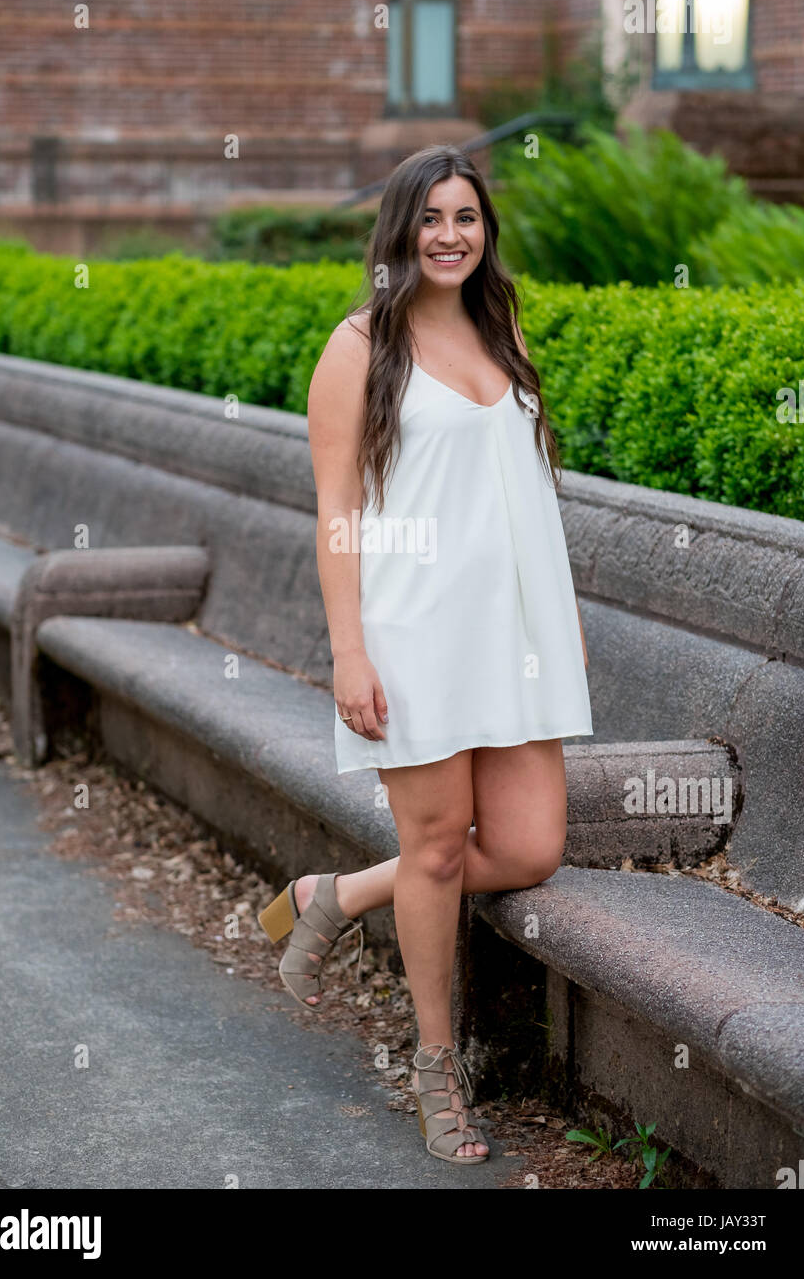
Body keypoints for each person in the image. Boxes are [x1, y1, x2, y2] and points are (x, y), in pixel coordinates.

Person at [258, 144, 592, 1165]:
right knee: (439, 847)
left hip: (515, 641)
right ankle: (437, 1068)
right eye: (431, 217)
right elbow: (336, 513)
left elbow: (526, 493)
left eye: (467, 217)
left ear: (483, 231)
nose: (450, 234)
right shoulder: (360, 346)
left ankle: (335, 895)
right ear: (398, 230)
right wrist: (348, 651)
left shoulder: (502, 329)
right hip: (413, 635)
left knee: (528, 846)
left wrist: (558, 619)